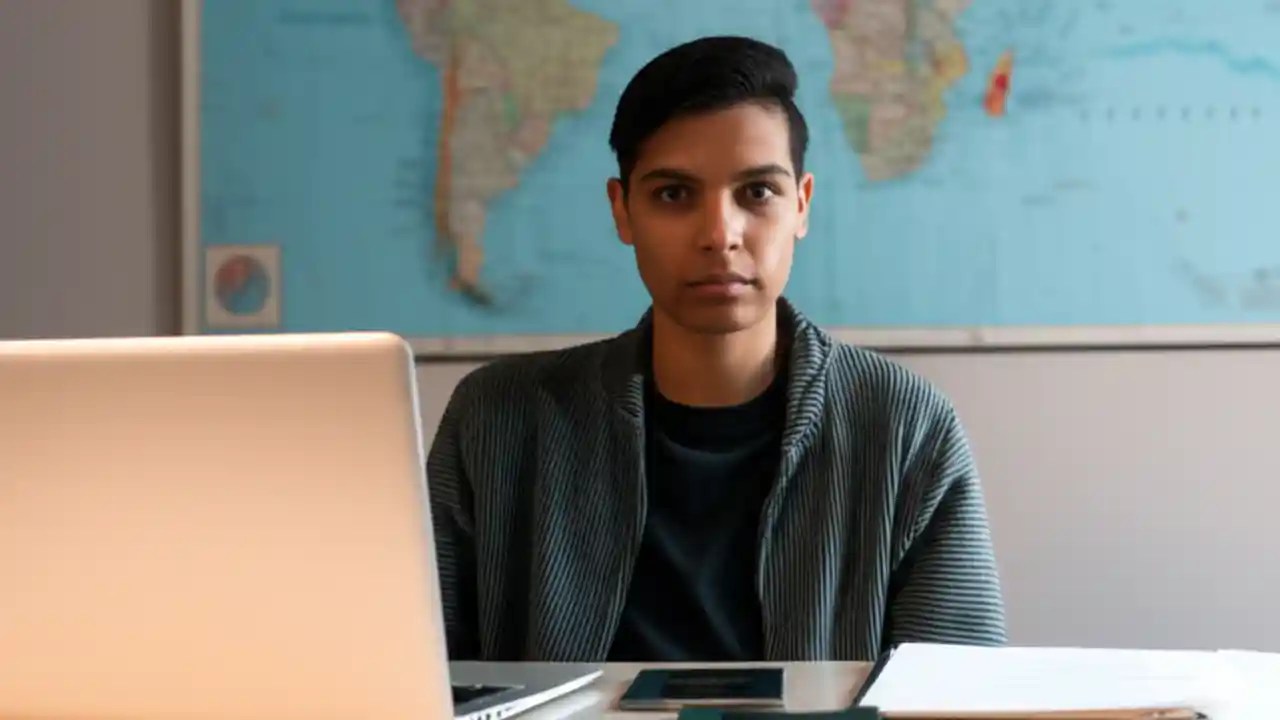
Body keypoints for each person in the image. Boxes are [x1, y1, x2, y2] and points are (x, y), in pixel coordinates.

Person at [426, 35, 1006, 663]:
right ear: (623, 213)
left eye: (757, 193)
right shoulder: (497, 420)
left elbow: (959, 692)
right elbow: (406, 676)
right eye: (674, 194)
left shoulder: (906, 427)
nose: (719, 235)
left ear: (801, 206)